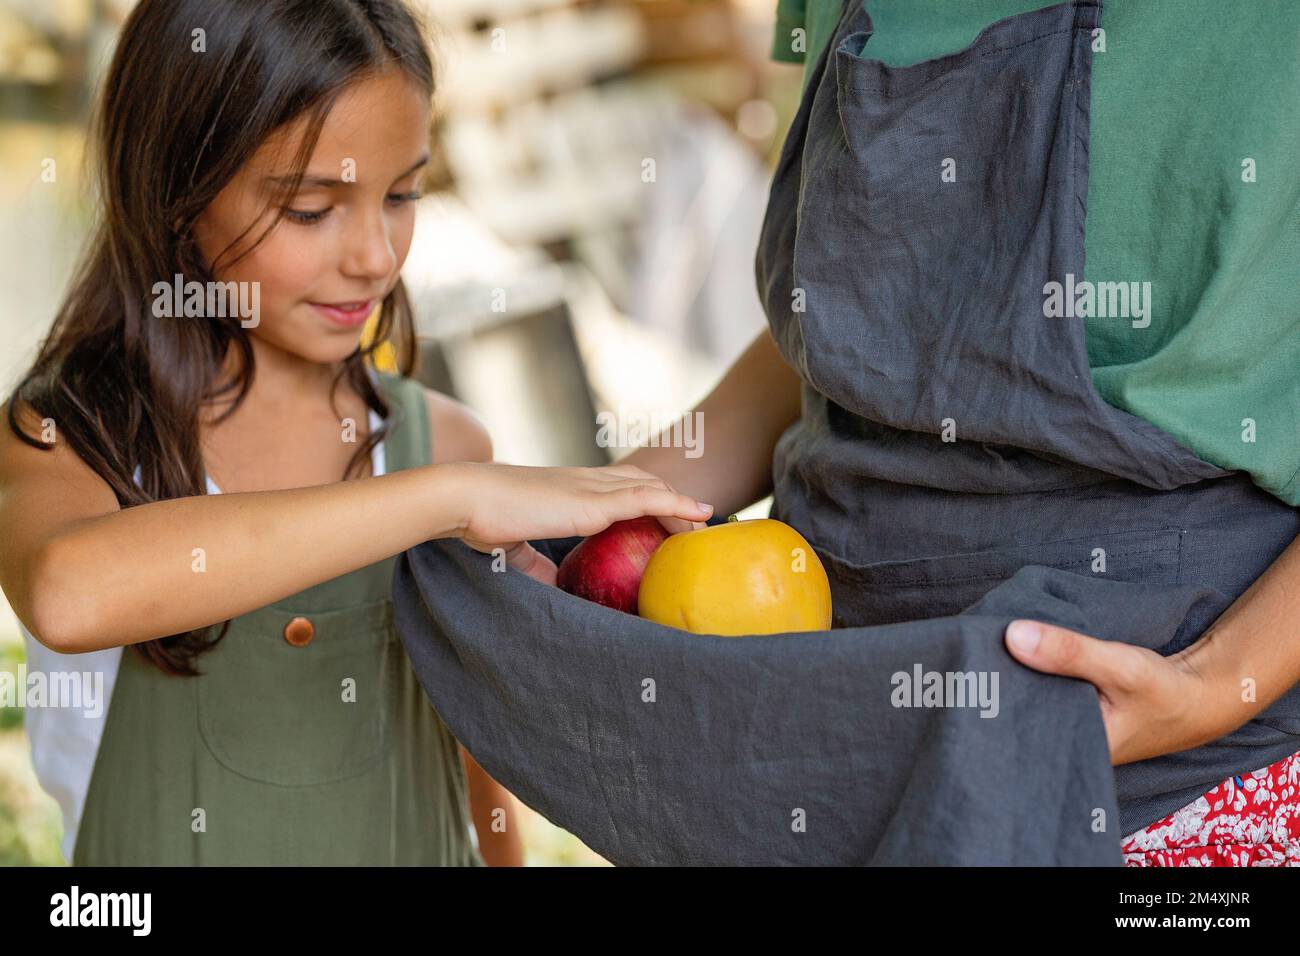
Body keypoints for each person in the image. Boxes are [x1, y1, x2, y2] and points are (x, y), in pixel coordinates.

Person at [0, 0, 712, 866]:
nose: (376, 255)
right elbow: (70, 593)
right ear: (179, 196)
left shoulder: (438, 441)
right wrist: (445, 501)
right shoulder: (69, 436)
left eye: (403, 194)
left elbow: (473, 767)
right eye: (310, 209)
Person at [612, 0, 1300, 864]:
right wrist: (614, 507)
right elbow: (850, 333)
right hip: (819, 749)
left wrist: (1212, 684)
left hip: (1172, 787)